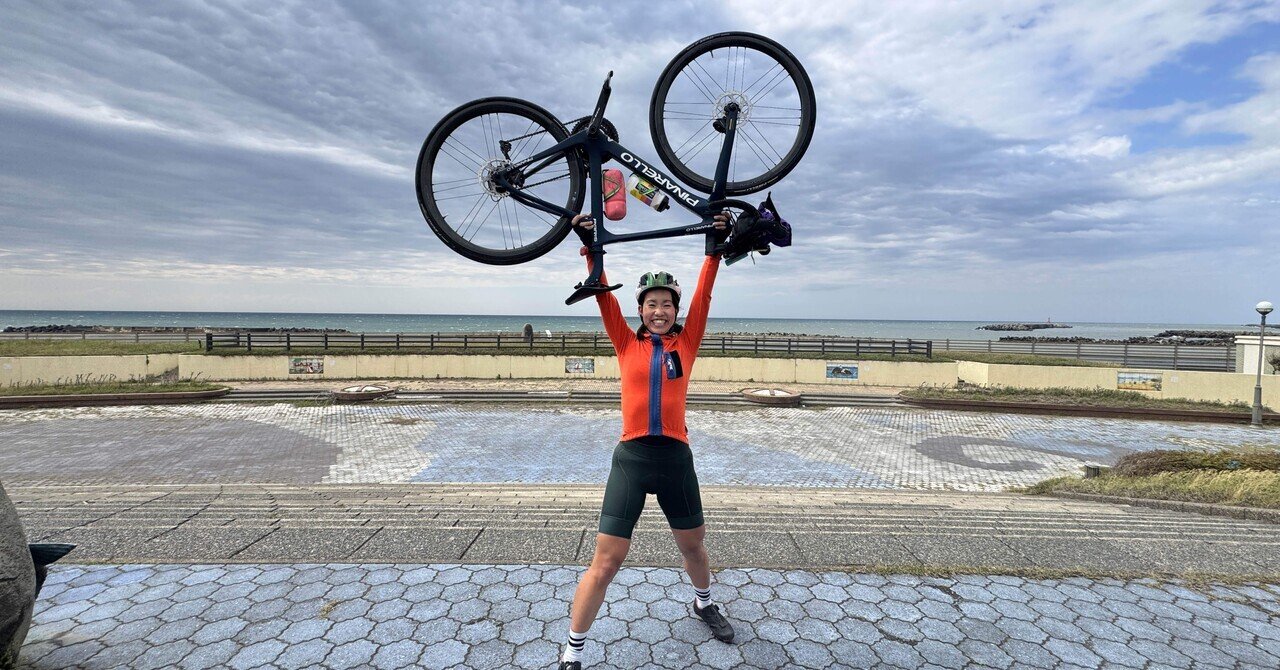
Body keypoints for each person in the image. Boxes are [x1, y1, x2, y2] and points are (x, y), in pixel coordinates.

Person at [559, 211, 734, 670]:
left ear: (676, 311)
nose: (659, 311)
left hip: (676, 459)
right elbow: (601, 293)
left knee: (693, 547)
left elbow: (706, 295)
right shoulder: (624, 341)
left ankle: (703, 602)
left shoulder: (687, 342)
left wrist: (714, 246)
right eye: (651, 304)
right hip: (632, 460)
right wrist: (589, 242)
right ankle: (572, 652)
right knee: (607, 561)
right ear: (640, 309)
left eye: (667, 304)